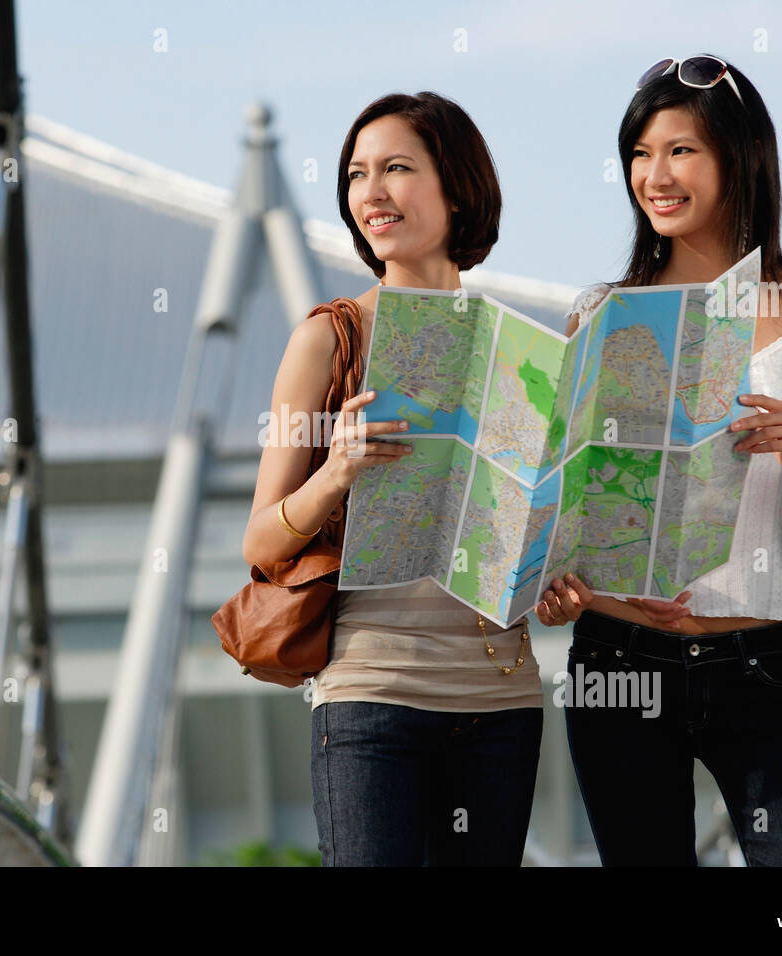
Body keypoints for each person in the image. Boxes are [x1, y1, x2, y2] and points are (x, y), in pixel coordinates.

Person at [548, 55, 782, 866]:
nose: (653, 175)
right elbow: (559, 500)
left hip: (766, 666)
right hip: (618, 662)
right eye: (639, 153)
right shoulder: (600, 313)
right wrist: (558, 585)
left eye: (679, 151)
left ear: (740, 158)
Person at [242, 91, 591, 866]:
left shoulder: (524, 358)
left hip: (501, 700)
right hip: (371, 699)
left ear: (457, 189)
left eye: (397, 168)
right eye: (358, 174)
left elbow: (535, 525)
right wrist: (337, 471)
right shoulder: (330, 338)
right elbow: (262, 541)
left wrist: (555, 584)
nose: (371, 192)